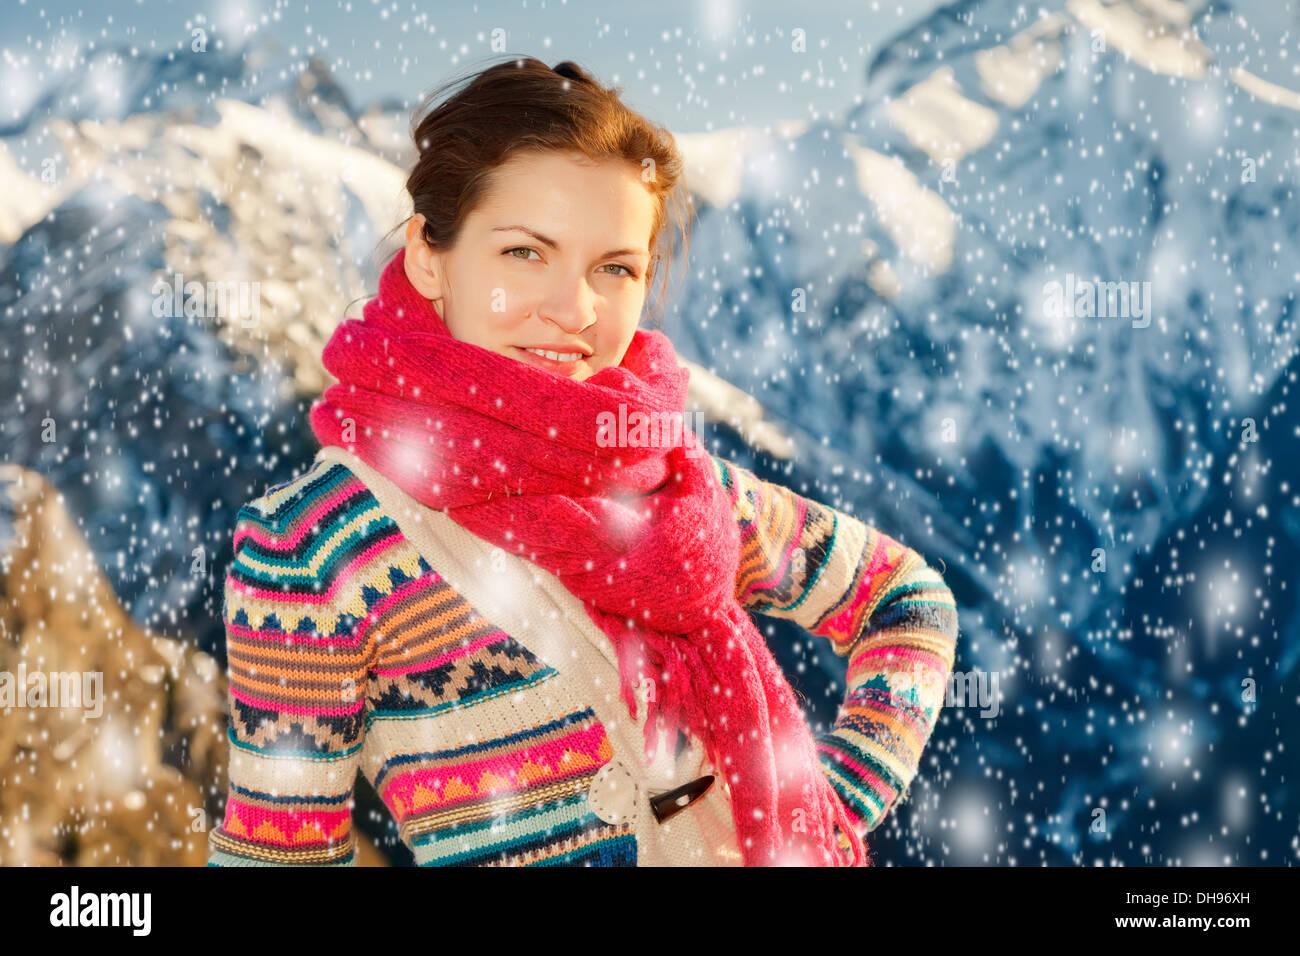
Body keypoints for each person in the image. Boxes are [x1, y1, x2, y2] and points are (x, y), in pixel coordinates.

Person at [206, 56, 959, 867]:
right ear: (430, 255)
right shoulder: (315, 546)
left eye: (616, 268)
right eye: (526, 253)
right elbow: (277, 859)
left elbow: (906, 602)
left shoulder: (682, 490)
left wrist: (827, 802)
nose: (576, 311)